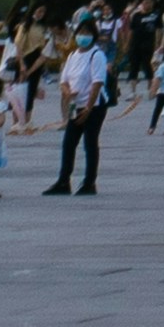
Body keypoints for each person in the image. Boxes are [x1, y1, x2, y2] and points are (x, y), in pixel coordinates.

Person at [54, 18, 113, 198]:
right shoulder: (73, 55)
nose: (83, 37)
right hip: (76, 104)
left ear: (93, 36)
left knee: (90, 142)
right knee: (69, 143)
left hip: (93, 106)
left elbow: (97, 83)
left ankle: (89, 182)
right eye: (80, 33)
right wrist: (68, 92)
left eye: (87, 33)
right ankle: (63, 180)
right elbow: (64, 80)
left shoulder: (97, 55)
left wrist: (88, 108)